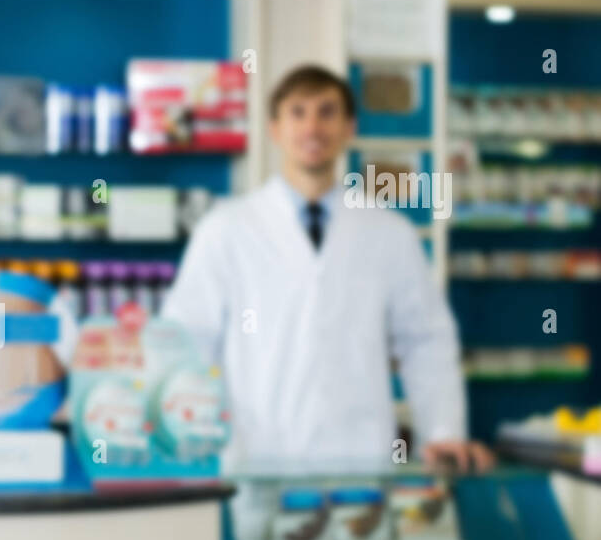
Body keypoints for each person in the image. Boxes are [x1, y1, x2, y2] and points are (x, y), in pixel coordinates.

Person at [162, 64, 494, 478]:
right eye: (297, 112)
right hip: (256, 458)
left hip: (361, 458)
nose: (312, 127)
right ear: (274, 129)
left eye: (327, 112)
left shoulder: (390, 233)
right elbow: (187, 340)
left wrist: (443, 430)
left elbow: (426, 340)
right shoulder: (225, 228)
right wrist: (185, 440)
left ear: (349, 127)